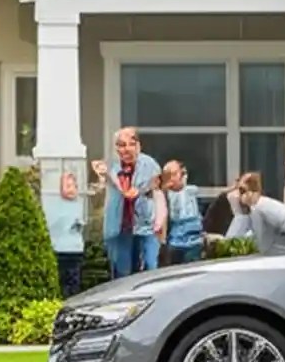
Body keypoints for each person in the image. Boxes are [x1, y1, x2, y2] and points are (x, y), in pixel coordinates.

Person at [93, 127, 166, 278]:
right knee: (122, 275)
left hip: (146, 227)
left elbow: (159, 194)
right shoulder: (111, 166)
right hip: (118, 227)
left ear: (138, 146)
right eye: (121, 145)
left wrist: (160, 225)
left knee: (150, 271)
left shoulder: (150, 165)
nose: (126, 149)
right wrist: (102, 176)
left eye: (130, 144)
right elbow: (98, 190)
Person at [48, 171, 86, 298]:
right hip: (60, 249)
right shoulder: (55, 206)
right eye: (67, 186)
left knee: (74, 280)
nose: (71, 190)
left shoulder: (80, 204)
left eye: (73, 186)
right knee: (61, 279)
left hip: (75, 250)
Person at [159, 160, 204, 264]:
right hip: (175, 242)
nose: (174, 179)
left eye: (176, 174)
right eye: (170, 176)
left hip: (194, 241)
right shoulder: (164, 195)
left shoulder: (192, 191)